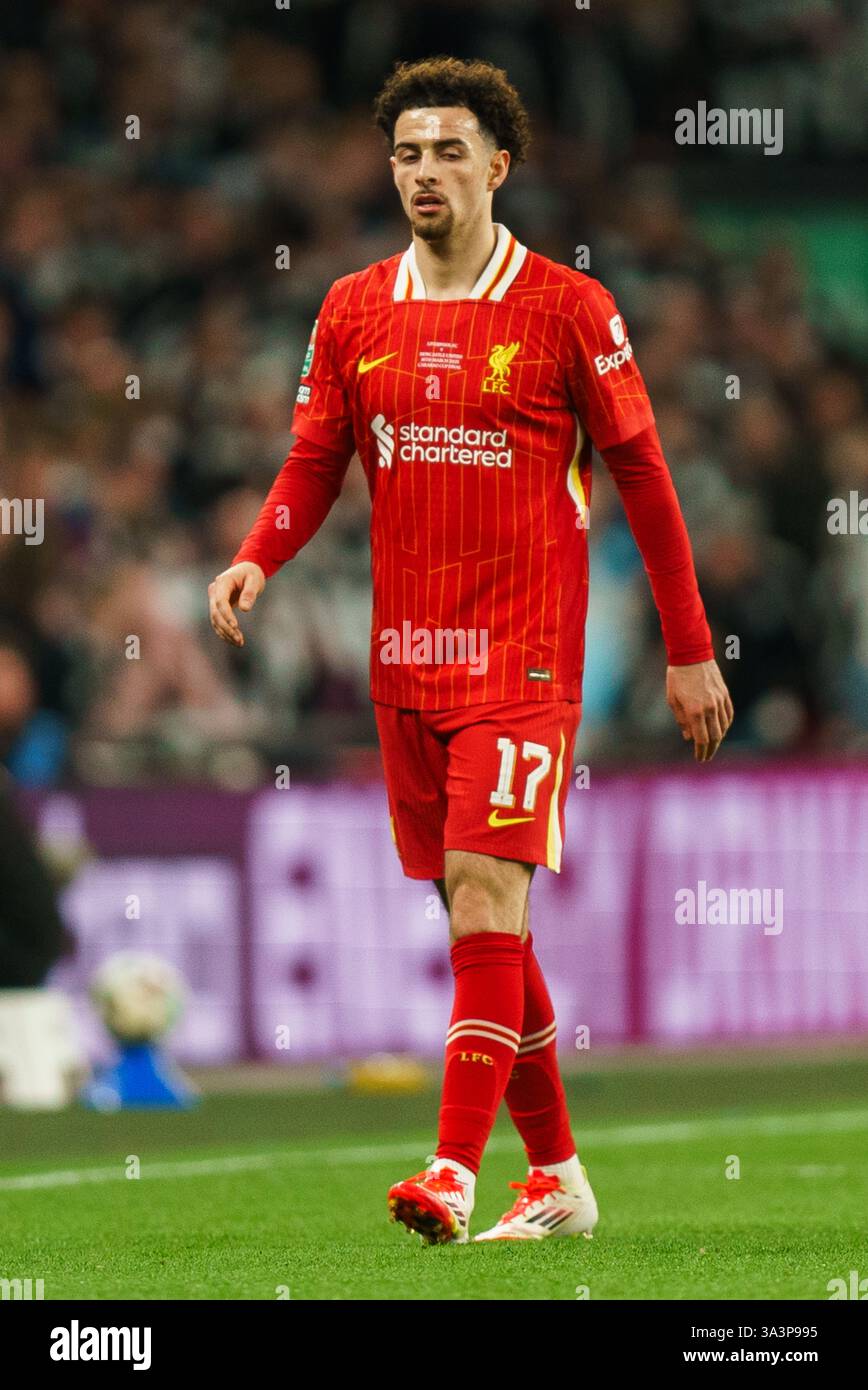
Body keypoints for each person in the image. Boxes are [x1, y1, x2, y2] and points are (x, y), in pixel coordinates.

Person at [208, 57, 733, 1244]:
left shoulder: (567, 308)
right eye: (406, 153)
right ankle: (556, 1178)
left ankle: (450, 1169)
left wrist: (689, 647)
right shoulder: (351, 307)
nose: (424, 171)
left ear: (497, 165)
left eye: (448, 150)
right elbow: (313, 460)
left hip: (525, 661)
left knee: (488, 893)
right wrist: (257, 555)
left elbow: (644, 477)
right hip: (407, 664)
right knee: (479, 919)